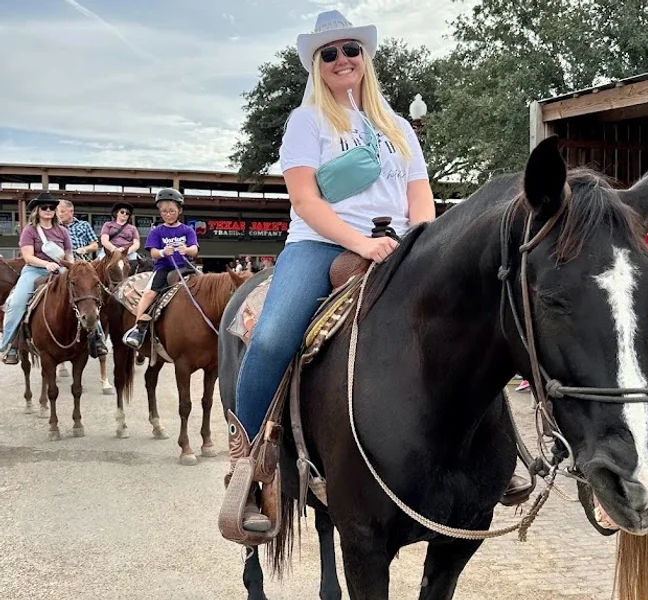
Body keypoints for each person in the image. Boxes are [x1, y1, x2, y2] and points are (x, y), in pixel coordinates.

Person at [229, 10, 436, 532]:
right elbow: (303, 199)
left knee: (469, 311)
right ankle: (248, 456)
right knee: (274, 337)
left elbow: (420, 195)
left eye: (351, 50)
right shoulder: (308, 122)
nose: (342, 60)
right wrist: (361, 243)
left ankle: (496, 452)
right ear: (317, 66)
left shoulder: (400, 127)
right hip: (322, 244)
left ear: (365, 59)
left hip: (400, 243)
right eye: (330, 54)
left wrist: (423, 240)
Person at [121, 189, 198, 349]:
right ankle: (138, 328)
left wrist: (187, 250)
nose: (168, 214)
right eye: (164, 211)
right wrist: (163, 252)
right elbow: (154, 253)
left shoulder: (187, 230)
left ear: (179, 211)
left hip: (186, 268)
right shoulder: (157, 231)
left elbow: (195, 249)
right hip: (164, 268)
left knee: (206, 288)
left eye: (171, 211)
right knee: (149, 293)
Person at [1, 193, 72, 364]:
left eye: (52, 207)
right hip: (34, 271)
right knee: (16, 303)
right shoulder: (30, 230)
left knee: (85, 296)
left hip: (61, 271)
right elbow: (28, 257)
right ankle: (11, 344)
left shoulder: (62, 231)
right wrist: (46, 264)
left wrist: (71, 267)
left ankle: (96, 338)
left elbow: (69, 254)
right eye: (44, 207)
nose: (48, 210)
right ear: (37, 210)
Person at [56, 200, 108, 358]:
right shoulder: (55, 227)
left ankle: (98, 337)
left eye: (62, 211)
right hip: (61, 265)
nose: (59, 214)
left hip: (83, 266)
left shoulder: (84, 225)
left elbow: (95, 245)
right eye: (59, 212)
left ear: (71, 212)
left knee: (90, 297)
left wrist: (85, 248)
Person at [99, 202, 141, 271]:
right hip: (110, 251)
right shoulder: (108, 225)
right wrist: (115, 250)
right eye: (122, 212)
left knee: (141, 265)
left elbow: (136, 244)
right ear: (116, 213)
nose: (125, 214)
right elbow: (104, 240)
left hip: (128, 252)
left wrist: (126, 251)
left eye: (127, 213)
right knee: (98, 264)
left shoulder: (133, 228)